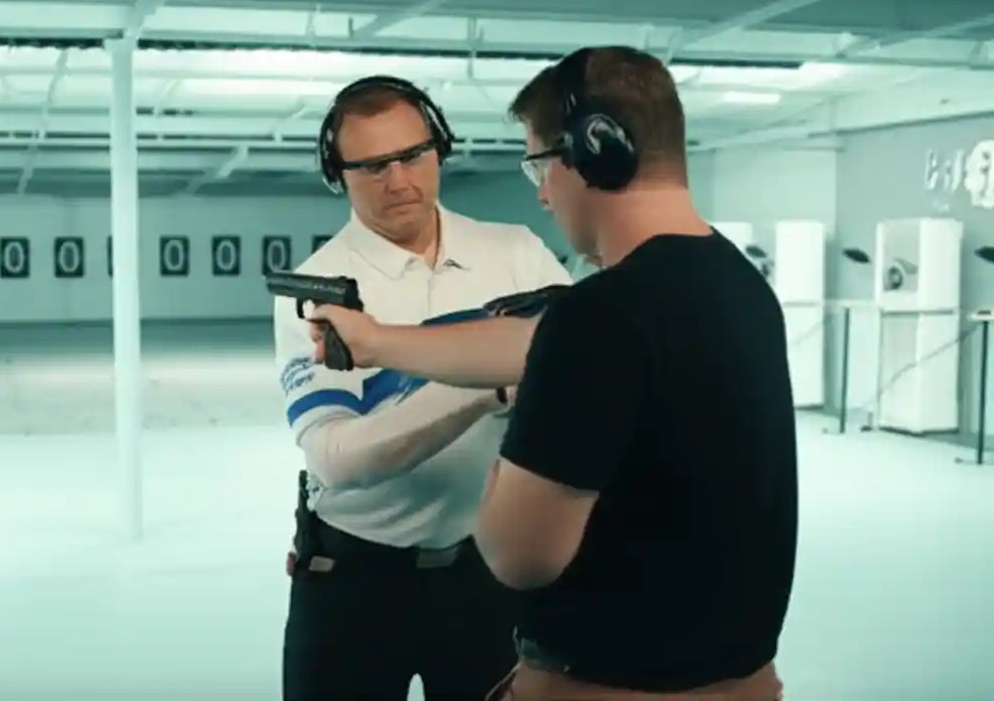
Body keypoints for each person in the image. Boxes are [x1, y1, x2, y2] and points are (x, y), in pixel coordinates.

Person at [307, 46, 797, 700]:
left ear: (595, 151)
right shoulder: (739, 286)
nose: (541, 191)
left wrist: (504, 453)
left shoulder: (598, 315)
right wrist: (378, 343)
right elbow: (548, 343)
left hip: (610, 682)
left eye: (540, 163)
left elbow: (515, 554)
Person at [273, 75, 575, 700]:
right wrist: (488, 382)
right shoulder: (318, 285)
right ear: (339, 177)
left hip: (485, 573)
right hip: (350, 579)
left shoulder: (515, 252)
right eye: (372, 166)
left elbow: (585, 380)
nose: (398, 180)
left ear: (439, 148)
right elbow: (338, 456)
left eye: (412, 155)